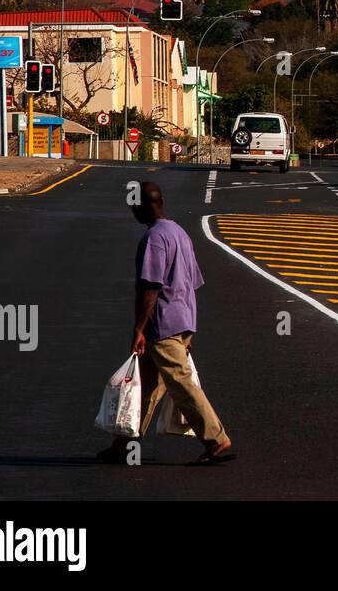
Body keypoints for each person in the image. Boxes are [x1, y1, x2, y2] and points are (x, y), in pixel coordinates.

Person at [97, 181, 235, 465]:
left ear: (144, 205)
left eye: (134, 206)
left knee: (181, 384)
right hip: (183, 320)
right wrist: (189, 330)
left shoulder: (154, 238)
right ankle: (123, 445)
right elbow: (192, 281)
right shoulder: (180, 233)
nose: (133, 212)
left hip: (162, 325)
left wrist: (138, 329)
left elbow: (151, 287)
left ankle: (216, 440)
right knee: (147, 387)